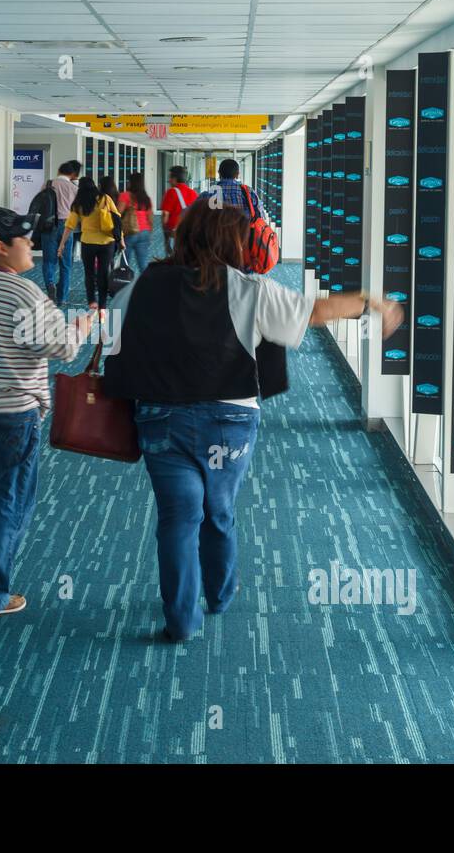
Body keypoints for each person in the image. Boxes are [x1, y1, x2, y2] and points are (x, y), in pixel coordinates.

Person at [101, 199, 403, 641]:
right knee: (217, 511)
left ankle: (181, 620)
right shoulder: (248, 289)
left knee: (177, 516)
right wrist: (367, 303)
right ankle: (219, 594)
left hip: (160, 417)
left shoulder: (144, 284)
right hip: (229, 421)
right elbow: (312, 312)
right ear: (231, 242)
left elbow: (113, 332)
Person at [0, 207, 94, 618]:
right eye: (24, 240)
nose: (31, 245)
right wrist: (82, 326)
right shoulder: (23, 293)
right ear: (1, 247)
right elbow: (60, 348)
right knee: (5, 501)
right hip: (11, 412)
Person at [59, 176, 125, 311]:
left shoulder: (79, 203)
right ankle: (102, 304)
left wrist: (62, 244)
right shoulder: (105, 198)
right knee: (103, 272)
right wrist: (122, 240)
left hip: (88, 242)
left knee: (89, 273)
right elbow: (117, 220)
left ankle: (91, 301)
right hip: (107, 242)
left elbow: (70, 225)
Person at [42, 160, 81, 305]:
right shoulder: (73, 188)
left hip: (49, 224)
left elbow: (40, 202)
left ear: (59, 171)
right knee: (65, 263)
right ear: (72, 174)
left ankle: (50, 284)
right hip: (67, 225)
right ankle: (62, 297)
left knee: (48, 260)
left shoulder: (48, 184)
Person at [199, 158, 268, 221]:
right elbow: (261, 216)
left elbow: (195, 219)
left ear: (219, 173)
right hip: (244, 233)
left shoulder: (206, 195)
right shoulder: (248, 192)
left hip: (213, 234)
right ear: (237, 174)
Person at [117, 172, 155, 276]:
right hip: (144, 233)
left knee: (124, 263)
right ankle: (148, 285)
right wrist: (149, 234)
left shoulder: (125, 196)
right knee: (143, 264)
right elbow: (150, 219)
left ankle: (123, 286)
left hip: (130, 232)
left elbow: (117, 214)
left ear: (130, 182)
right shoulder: (147, 199)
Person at [159, 166, 197, 257]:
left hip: (175, 230)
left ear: (174, 179)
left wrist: (165, 232)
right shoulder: (193, 193)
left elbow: (165, 214)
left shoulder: (171, 192)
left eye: (170, 178)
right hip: (190, 228)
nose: (169, 181)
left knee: (176, 252)